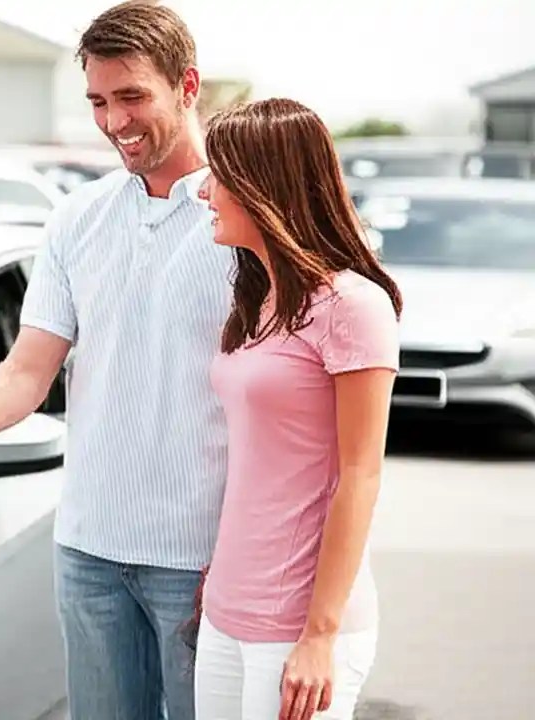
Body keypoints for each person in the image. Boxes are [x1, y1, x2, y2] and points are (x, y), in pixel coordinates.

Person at [0, 2, 234, 718]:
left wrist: (246, 552)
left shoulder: (244, 221)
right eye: (98, 102)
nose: (114, 122)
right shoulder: (77, 218)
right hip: (88, 553)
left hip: (203, 556)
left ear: (188, 84)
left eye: (133, 97)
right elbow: (26, 371)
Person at [192, 98, 402, 720]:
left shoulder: (353, 306)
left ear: (264, 187)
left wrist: (320, 636)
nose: (204, 192)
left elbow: (360, 476)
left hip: (301, 628)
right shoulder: (257, 299)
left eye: (218, 176)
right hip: (229, 610)